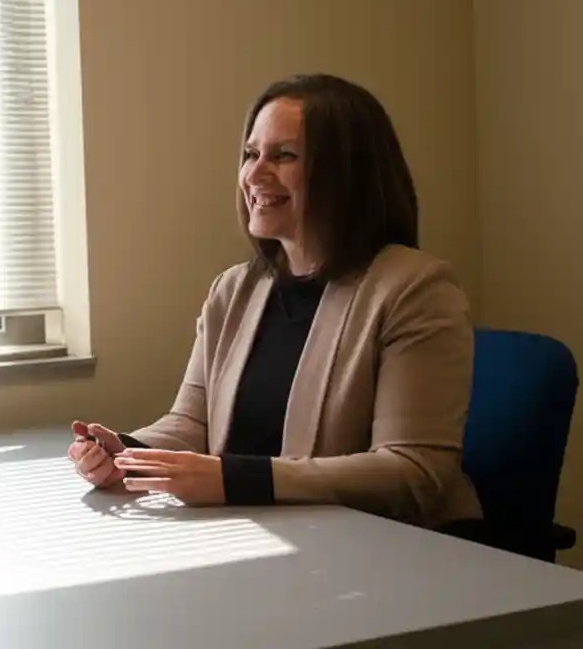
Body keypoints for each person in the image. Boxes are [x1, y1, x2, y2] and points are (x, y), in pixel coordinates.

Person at [68, 73, 482, 529]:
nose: (254, 174)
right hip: (272, 537)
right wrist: (127, 455)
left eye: (283, 156)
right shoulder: (234, 289)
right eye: (251, 154)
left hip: (393, 550)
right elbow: (193, 423)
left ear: (347, 173)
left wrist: (236, 478)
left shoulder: (416, 289)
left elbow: (414, 471)